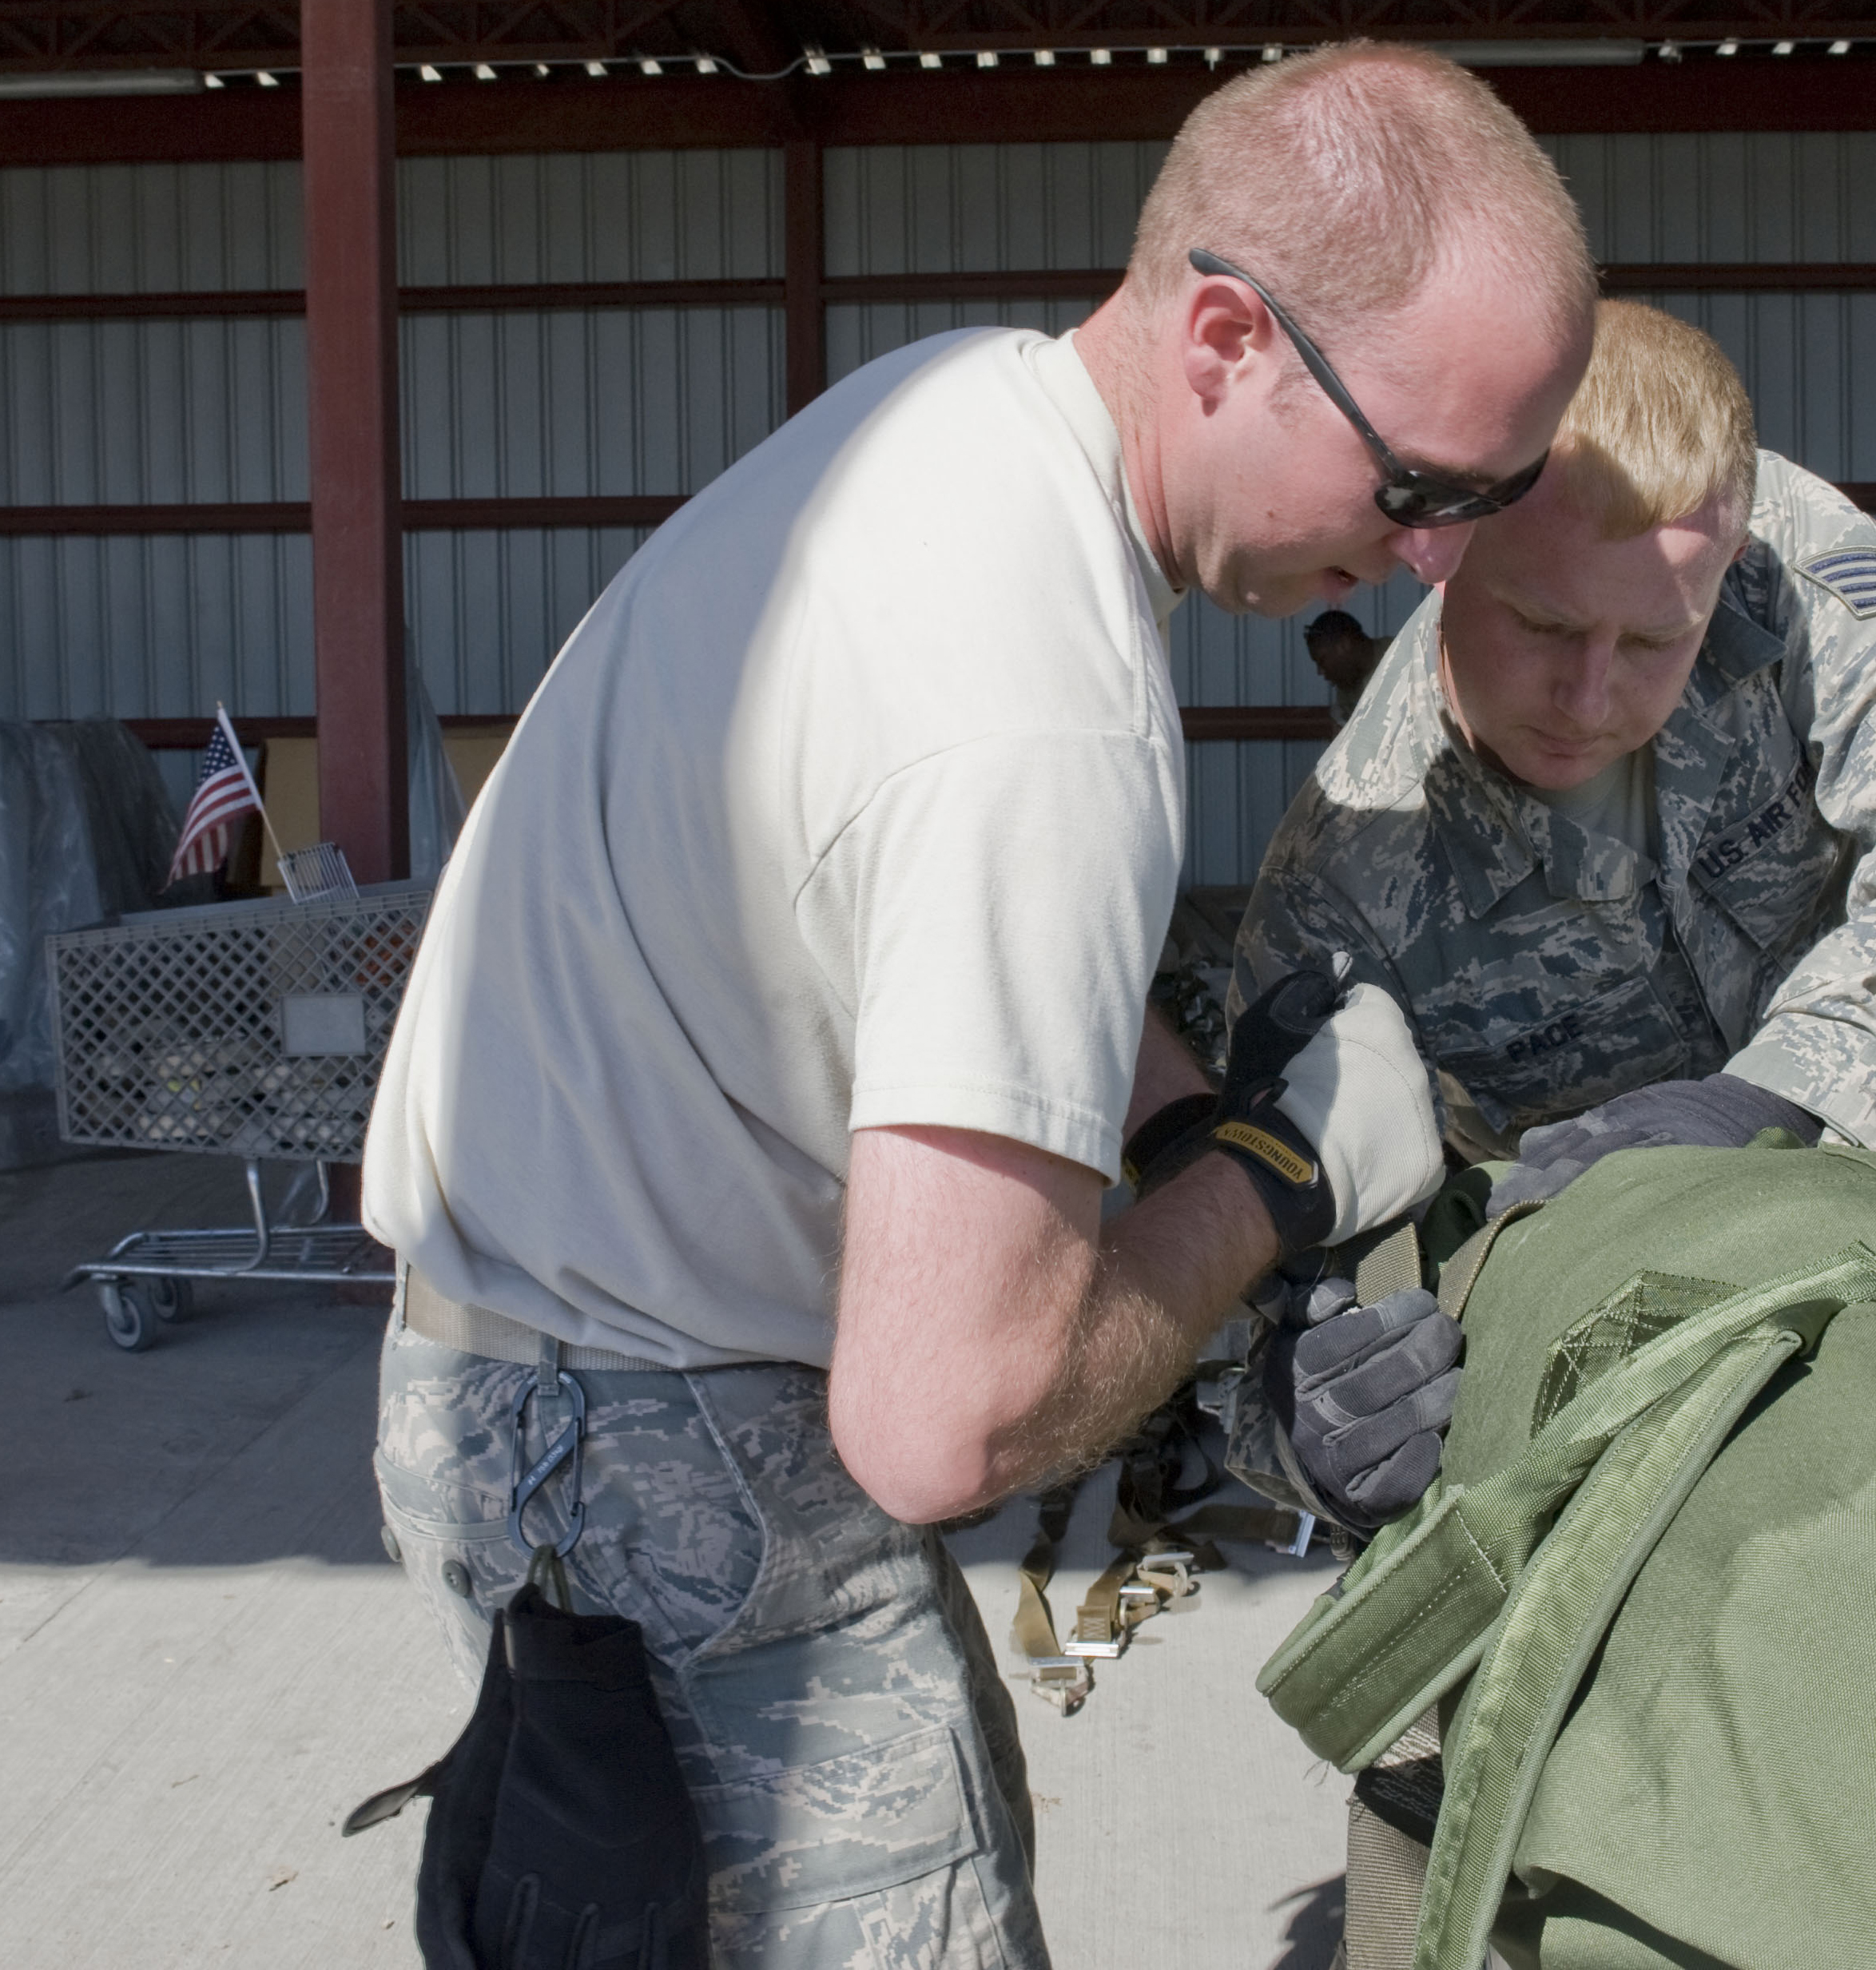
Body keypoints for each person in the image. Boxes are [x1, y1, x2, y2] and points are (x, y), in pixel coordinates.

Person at [360, 44, 1595, 1969]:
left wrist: (1177, 1113)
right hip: (684, 1471)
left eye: (1490, 498)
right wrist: (1268, 1176)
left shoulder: (948, 419)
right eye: (1421, 482)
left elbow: (915, 948)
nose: (1434, 557)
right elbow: (949, 1419)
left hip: (498, 1383)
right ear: (1223, 338)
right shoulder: (1045, 707)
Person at [1231, 300, 1876, 1204]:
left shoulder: (1776, 563)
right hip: (1630, 1279)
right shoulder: (1339, 881)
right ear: (1437, 549)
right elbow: (1294, 1179)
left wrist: (1783, 1094)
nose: (1588, 697)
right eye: (1542, 624)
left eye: (1657, 641)